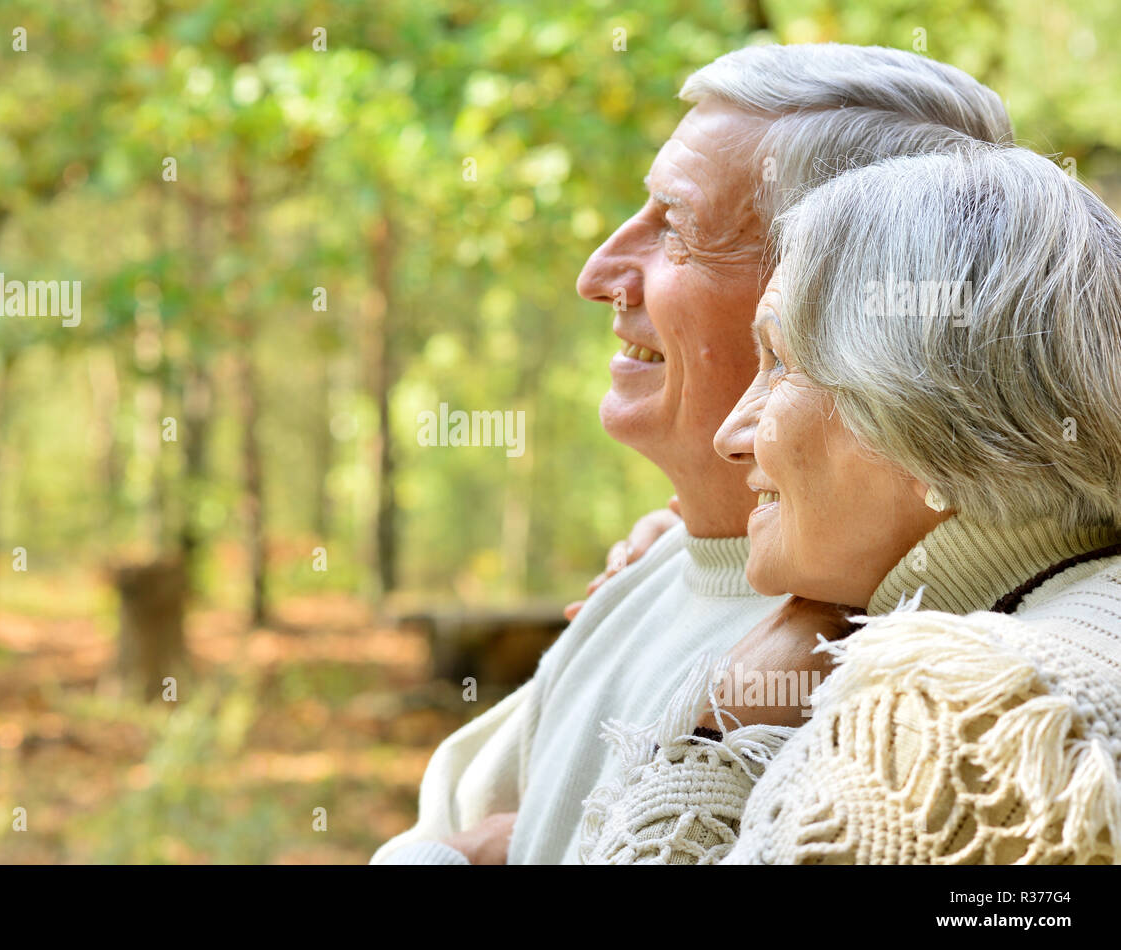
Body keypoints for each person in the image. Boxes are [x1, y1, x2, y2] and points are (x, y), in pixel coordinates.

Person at [371, 43, 1012, 865]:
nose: (597, 271)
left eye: (673, 226)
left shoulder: (892, 682)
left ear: (839, 295)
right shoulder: (658, 571)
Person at [581, 143, 1121, 864]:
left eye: (779, 364)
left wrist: (718, 733)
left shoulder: (953, 723)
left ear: (926, 417)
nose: (731, 434)